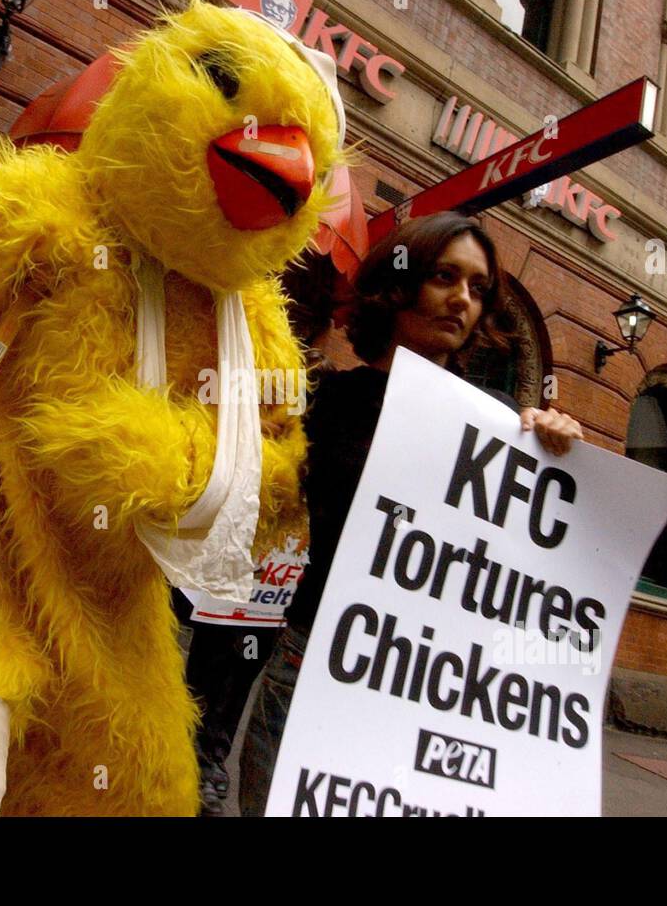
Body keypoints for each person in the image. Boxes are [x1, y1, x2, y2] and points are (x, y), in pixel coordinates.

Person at [238, 211, 584, 816]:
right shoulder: (326, 403)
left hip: (434, 689)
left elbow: (529, 569)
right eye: (444, 277)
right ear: (397, 285)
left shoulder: (502, 424)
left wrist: (553, 448)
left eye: (478, 289)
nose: (462, 300)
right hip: (311, 667)